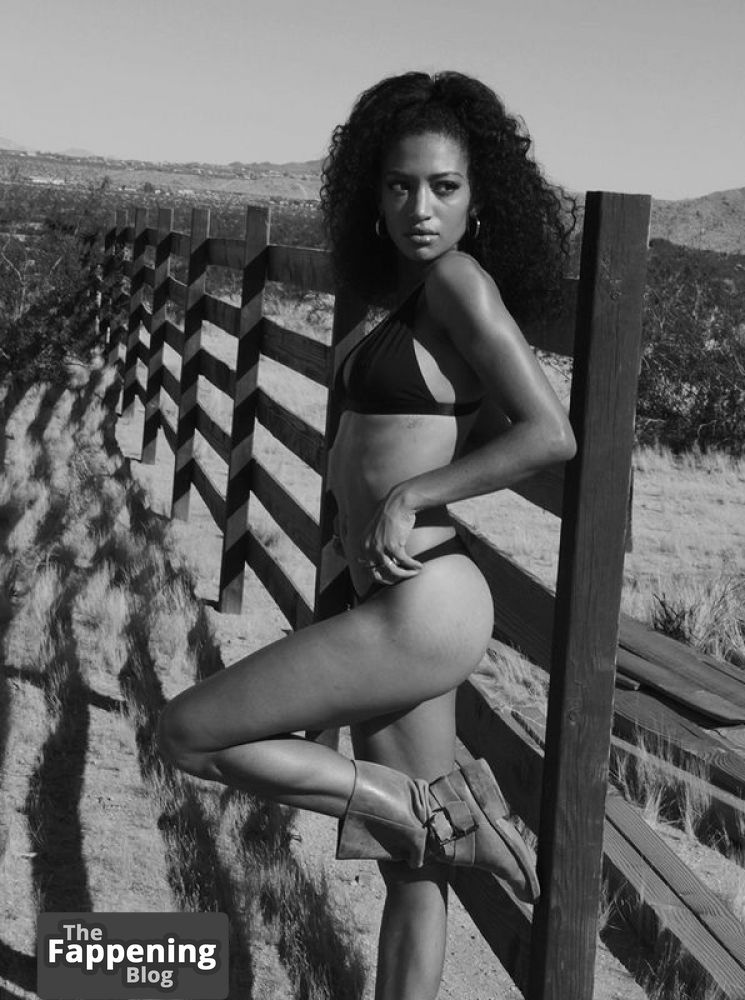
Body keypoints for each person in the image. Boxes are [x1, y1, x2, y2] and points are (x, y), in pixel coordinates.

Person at [158, 70, 577, 1000]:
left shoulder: (459, 282)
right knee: (414, 876)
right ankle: (434, 823)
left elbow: (550, 433)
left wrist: (414, 493)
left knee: (188, 732)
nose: (421, 208)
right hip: (386, 596)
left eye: (444, 187)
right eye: (400, 186)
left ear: (477, 201)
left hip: (423, 597)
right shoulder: (406, 292)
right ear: (373, 197)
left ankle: (426, 810)